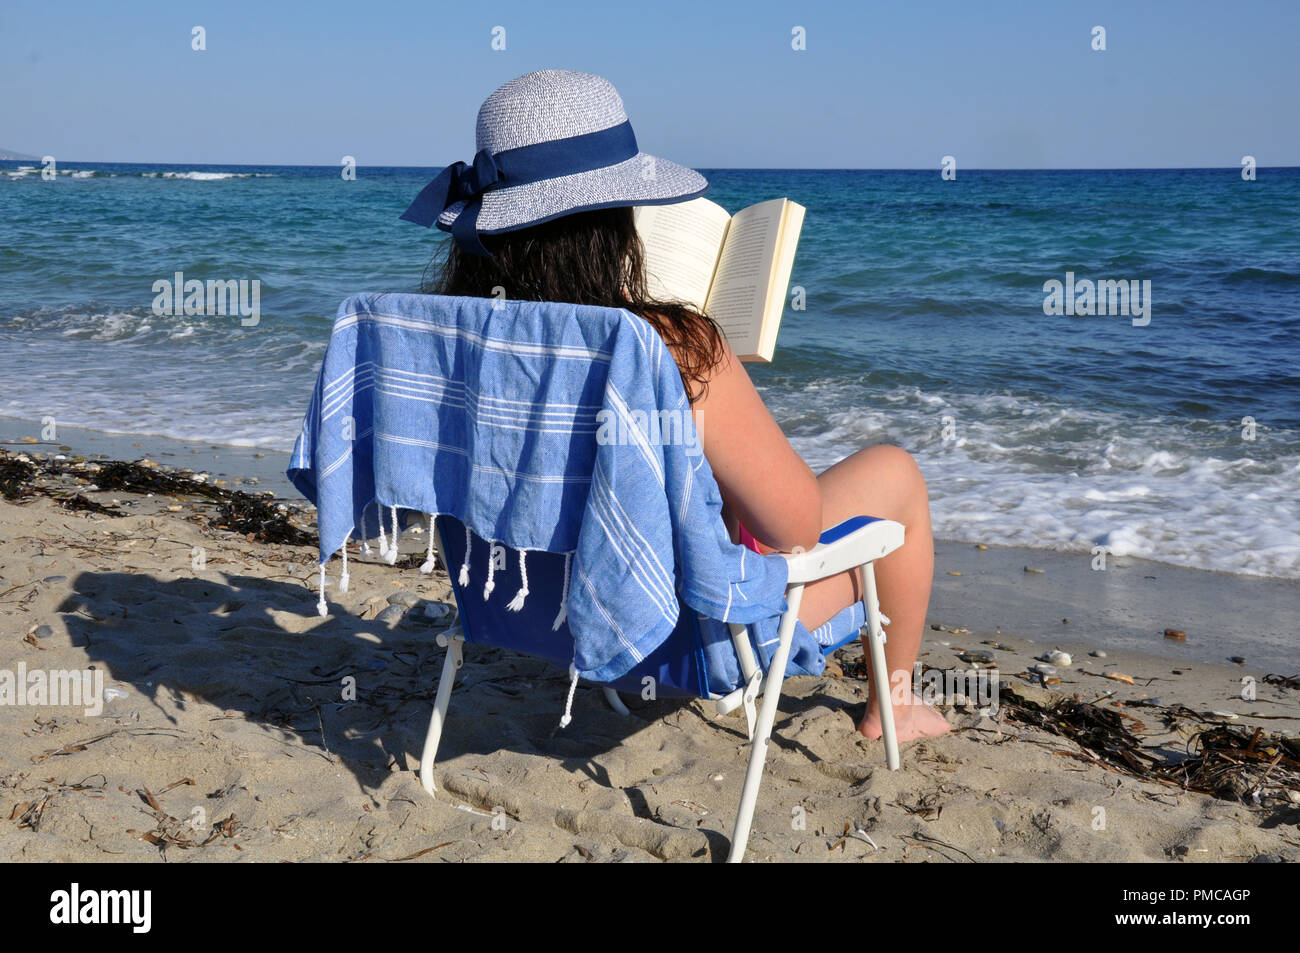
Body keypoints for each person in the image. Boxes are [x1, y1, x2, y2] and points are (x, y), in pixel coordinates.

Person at [400, 70, 949, 743]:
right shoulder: (675, 348)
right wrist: (712, 381)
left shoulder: (459, 341)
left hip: (525, 617)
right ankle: (894, 705)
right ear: (617, 222)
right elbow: (796, 530)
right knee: (896, 475)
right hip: (686, 641)